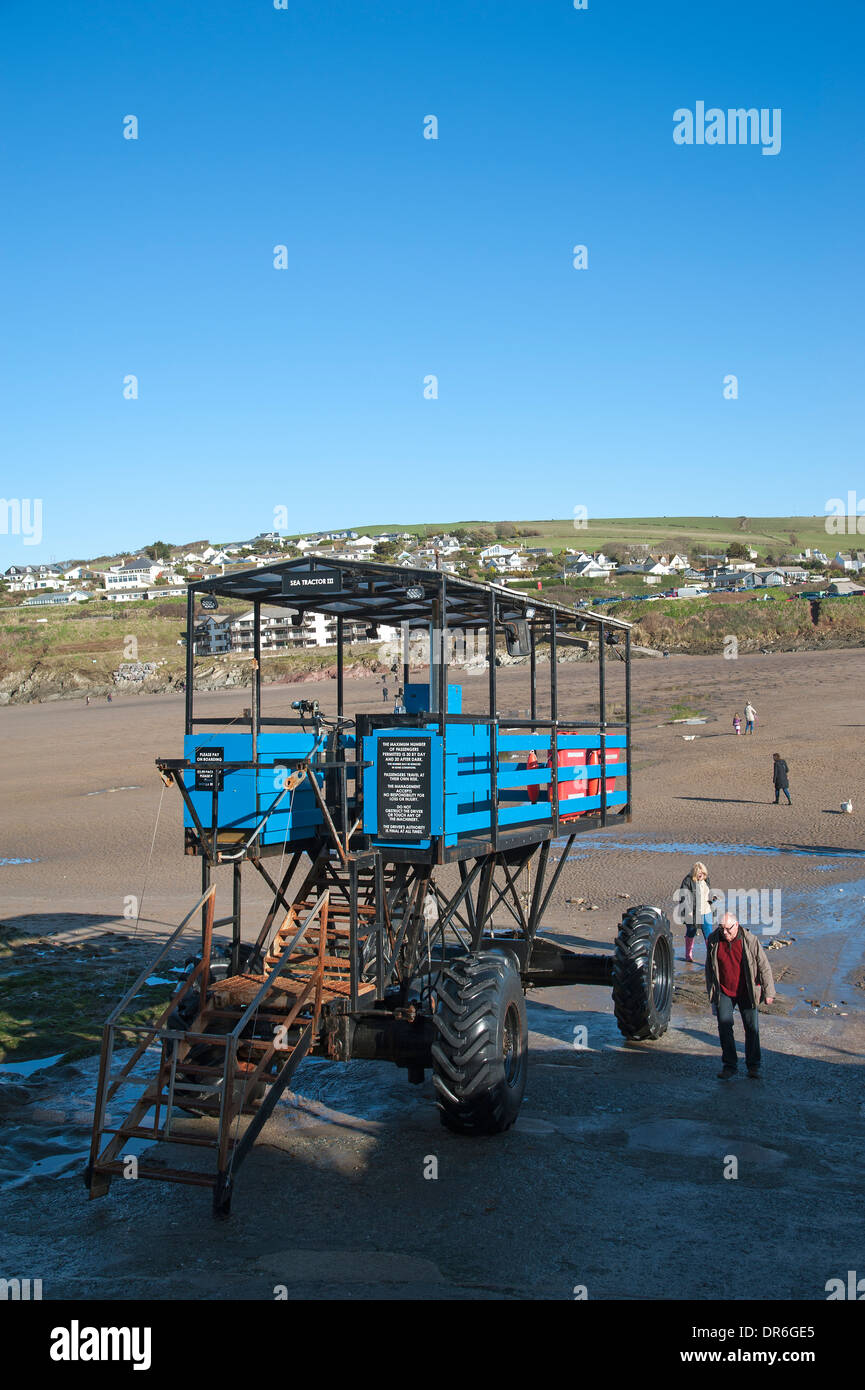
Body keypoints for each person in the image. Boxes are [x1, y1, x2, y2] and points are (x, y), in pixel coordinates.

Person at [706, 912, 775, 1079]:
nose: (725, 933)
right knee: (724, 1027)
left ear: (736, 925)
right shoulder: (714, 940)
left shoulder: (750, 940)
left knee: (752, 1028)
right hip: (724, 991)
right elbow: (709, 969)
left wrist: (768, 992)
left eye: (728, 929)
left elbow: (763, 966)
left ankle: (753, 1066)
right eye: (722, 929)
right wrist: (712, 995)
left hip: (747, 991)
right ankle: (729, 1066)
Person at [677, 861, 717, 962]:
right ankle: (688, 954)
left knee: (709, 936)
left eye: (703, 874)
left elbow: (709, 893)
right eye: (699, 874)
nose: (702, 876)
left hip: (706, 911)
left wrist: (712, 897)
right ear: (695, 873)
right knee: (691, 932)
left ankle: (711, 958)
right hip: (693, 913)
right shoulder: (688, 881)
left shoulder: (706, 880)